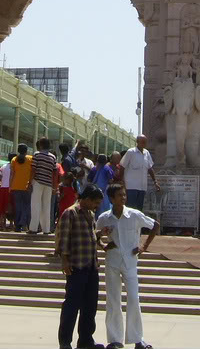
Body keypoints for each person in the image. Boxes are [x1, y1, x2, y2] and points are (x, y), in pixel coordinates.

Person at [97, 182, 159, 349]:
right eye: (119, 195)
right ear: (111, 198)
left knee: (133, 298)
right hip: (112, 261)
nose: (123, 198)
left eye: (124, 195)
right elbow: (94, 234)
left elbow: (155, 226)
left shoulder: (135, 215)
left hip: (130, 262)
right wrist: (102, 245)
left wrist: (144, 246)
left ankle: (137, 339)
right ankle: (115, 339)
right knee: (113, 300)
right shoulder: (104, 218)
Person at [57, 184, 106, 349]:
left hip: (91, 266)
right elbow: (63, 238)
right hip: (76, 266)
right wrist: (64, 260)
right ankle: (65, 342)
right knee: (72, 305)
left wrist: (101, 236)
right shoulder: (70, 213)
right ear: (87, 199)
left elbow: (91, 236)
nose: (96, 206)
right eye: (95, 203)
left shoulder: (90, 214)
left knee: (90, 306)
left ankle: (85, 340)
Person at [120, 136, 159, 211]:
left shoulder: (146, 153)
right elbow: (122, 167)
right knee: (130, 209)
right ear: (137, 142)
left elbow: (150, 168)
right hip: (131, 187)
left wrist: (155, 181)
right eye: (143, 142)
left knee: (139, 210)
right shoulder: (131, 152)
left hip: (142, 187)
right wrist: (122, 182)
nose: (144, 144)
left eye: (145, 142)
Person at [29, 138, 58, 234]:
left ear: (40, 145)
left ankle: (33, 228)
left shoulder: (37, 155)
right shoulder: (53, 157)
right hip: (48, 184)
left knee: (35, 205)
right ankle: (46, 229)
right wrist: (55, 186)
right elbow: (55, 173)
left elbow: (33, 169)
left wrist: (29, 183)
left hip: (38, 182)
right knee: (46, 206)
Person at [10, 143, 33, 232]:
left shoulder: (14, 159)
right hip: (26, 186)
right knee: (27, 205)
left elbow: (12, 174)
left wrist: (10, 185)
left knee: (18, 206)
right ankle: (23, 222)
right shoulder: (30, 159)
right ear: (26, 151)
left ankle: (17, 226)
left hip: (16, 186)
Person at [0, 152, 15, 231]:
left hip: (3, 187)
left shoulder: (3, 166)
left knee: (2, 206)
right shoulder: (14, 167)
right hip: (11, 188)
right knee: (10, 206)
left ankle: (1, 223)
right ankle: (11, 224)